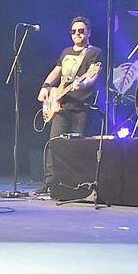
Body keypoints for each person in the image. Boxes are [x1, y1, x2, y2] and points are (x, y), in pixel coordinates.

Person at [35, 16, 102, 199]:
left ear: (88, 32)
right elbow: (56, 72)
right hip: (61, 106)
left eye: (81, 31)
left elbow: (92, 76)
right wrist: (46, 87)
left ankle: (76, 184)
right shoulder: (65, 52)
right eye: (74, 31)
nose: (77, 34)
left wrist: (84, 84)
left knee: (78, 146)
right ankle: (49, 182)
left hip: (82, 106)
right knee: (54, 144)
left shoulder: (94, 52)